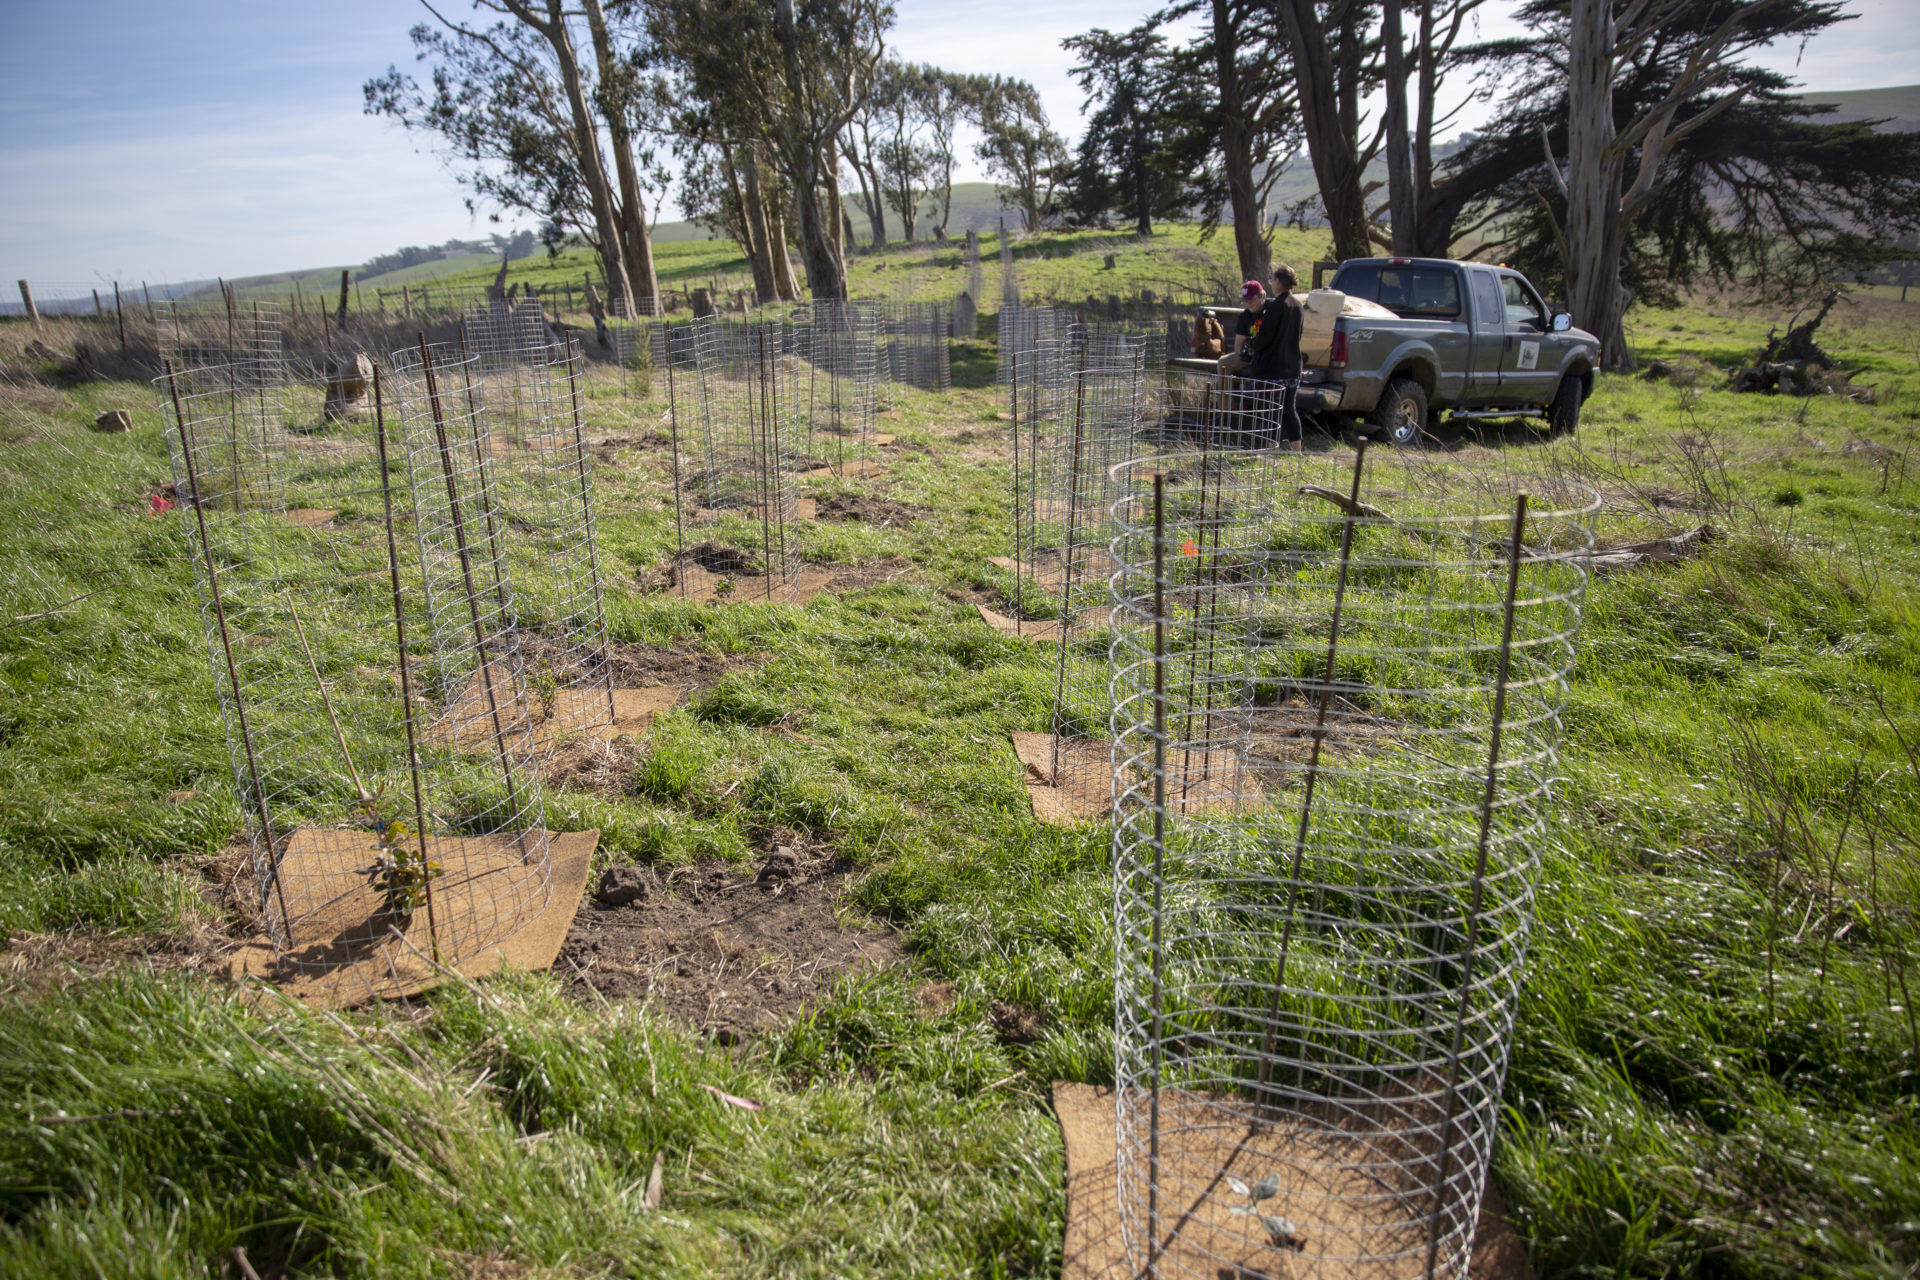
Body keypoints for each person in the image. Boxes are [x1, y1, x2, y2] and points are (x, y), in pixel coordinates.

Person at [1243, 263, 1305, 450]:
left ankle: (1270, 450)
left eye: (1272, 279)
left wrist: (1251, 345)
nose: (1271, 282)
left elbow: (1265, 337)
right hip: (1293, 367)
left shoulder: (1277, 306)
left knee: (1270, 411)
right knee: (1289, 410)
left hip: (1273, 367)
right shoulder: (1298, 305)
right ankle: (1297, 452)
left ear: (1278, 281)